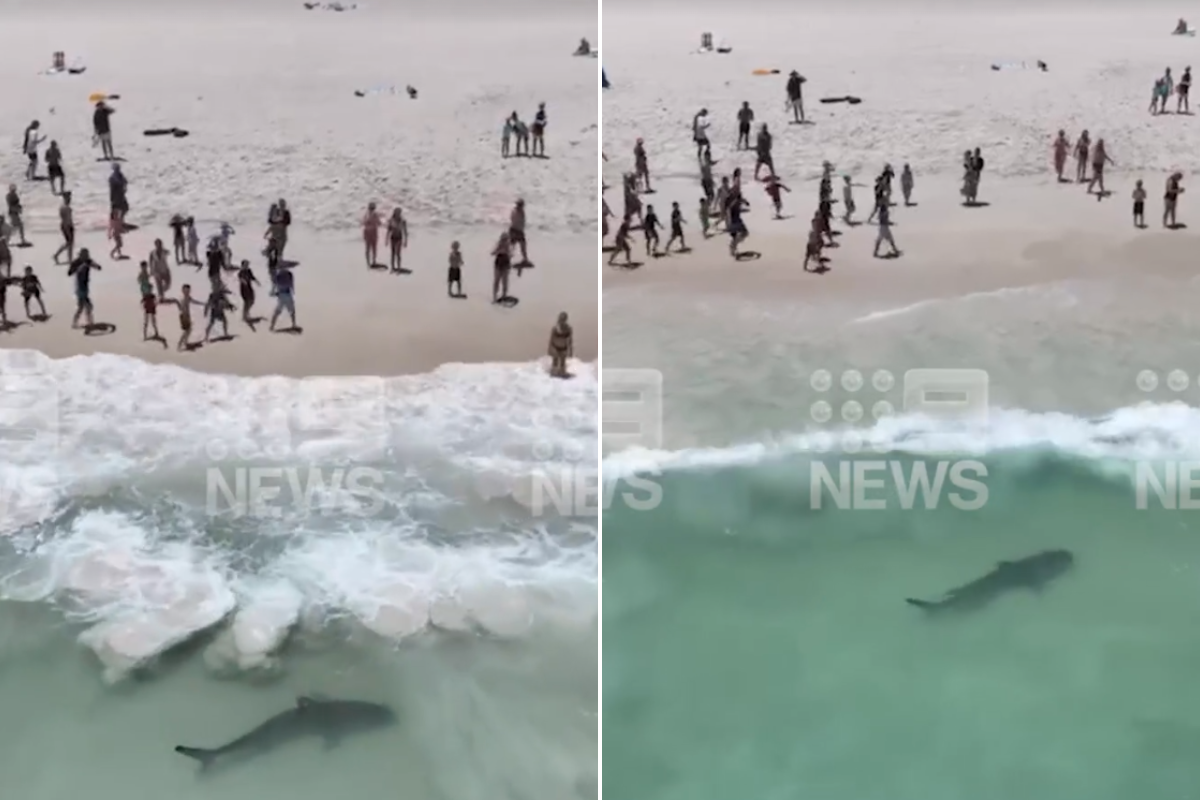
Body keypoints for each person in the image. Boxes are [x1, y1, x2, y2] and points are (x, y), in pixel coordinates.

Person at [163, 284, 204, 350]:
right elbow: (180, 308)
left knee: (188, 330)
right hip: (184, 316)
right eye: (186, 290)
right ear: (183, 291)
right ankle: (180, 344)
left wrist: (202, 303)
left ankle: (184, 342)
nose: (187, 292)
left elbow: (194, 301)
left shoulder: (188, 298)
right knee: (187, 331)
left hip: (187, 316)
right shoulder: (182, 299)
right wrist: (176, 303)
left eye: (188, 290)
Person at [67, 248, 101, 329]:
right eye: (84, 255)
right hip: (79, 287)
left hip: (85, 286)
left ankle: (81, 322)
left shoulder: (88, 261)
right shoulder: (76, 262)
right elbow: (69, 273)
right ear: (81, 255)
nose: (86, 257)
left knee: (84, 306)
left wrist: (95, 265)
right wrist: (78, 268)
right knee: (86, 305)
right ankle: (87, 322)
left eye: (87, 255)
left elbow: (98, 267)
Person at [269, 266, 297, 331]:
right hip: (286, 294)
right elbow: (291, 284)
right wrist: (292, 290)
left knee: (278, 311)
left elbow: (274, 285)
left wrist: (272, 292)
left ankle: (272, 326)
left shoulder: (279, 275)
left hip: (282, 295)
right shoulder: (288, 274)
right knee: (290, 310)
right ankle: (293, 324)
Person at [138, 260, 159, 340]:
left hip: (149, 297)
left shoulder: (145, 273)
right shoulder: (142, 275)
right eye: (144, 267)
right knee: (147, 319)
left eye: (145, 267)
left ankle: (154, 333)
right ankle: (145, 335)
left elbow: (143, 280)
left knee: (152, 319)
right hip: (147, 298)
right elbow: (140, 282)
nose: (145, 268)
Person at [547, 312, 573, 379]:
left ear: (566, 319)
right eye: (561, 319)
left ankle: (562, 372)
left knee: (563, 361)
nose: (562, 320)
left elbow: (570, 340)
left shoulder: (568, 328)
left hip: (564, 347)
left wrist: (570, 350)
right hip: (555, 347)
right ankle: (554, 373)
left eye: (563, 319)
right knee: (555, 360)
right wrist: (550, 349)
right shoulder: (555, 328)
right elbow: (551, 339)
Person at [53, 191, 75, 265]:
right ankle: (58, 255)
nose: (69, 199)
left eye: (69, 197)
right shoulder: (64, 207)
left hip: (69, 225)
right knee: (69, 243)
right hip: (66, 226)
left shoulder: (67, 206)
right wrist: (67, 229)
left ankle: (69, 259)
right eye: (68, 197)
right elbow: (64, 219)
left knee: (70, 243)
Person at [236, 259, 259, 324]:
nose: (247, 266)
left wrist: (257, 281)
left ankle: (247, 312)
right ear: (243, 265)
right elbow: (240, 278)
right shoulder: (241, 272)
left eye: (248, 264)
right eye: (246, 265)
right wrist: (244, 281)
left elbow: (252, 277)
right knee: (246, 302)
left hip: (249, 288)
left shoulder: (249, 270)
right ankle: (244, 315)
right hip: (244, 289)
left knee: (252, 301)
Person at [492, 231, 513, 301]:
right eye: (503, 239)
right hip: (498, 264)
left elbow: (511, 255)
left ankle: (504, 296)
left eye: (506, 239)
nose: (504, 241)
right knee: (497, 281)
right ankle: (495, 296)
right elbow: (492, 253)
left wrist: (507, 252)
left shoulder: (509, 246)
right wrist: (499, 251)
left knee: (505, 281)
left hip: (506, 265)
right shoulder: (498, 245)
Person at [510, 199, 531, 267]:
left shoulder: (516, 211)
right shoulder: (518, 212)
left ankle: (524, 259)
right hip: (516, 230)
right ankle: (524, 259)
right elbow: (518, 222)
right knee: (517, 246)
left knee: (517, 246)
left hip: (516, 230)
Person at [387, 207, 408, 273]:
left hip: (399, 238)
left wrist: (406, 241)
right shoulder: (391, 220)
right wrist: (386, 239)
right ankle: (392, 268)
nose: (398, 214)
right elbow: (389, 230)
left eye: (399, 212)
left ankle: (398, 267)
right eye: (397, 212)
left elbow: (405, 231)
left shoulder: (403, 221)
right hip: (392, 238)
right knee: (392, 253)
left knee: (398, 254)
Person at [362, 202, 381, 268]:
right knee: (368, 248)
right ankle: (368, 262)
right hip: (368, 233)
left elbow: (379, 223)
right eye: (371, 208)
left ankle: (373, 261)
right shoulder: (367, 215)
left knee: (373, 248)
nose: (372, 210)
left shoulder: (375, 215)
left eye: (373, 208)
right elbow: (364, 223)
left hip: (373, 233)